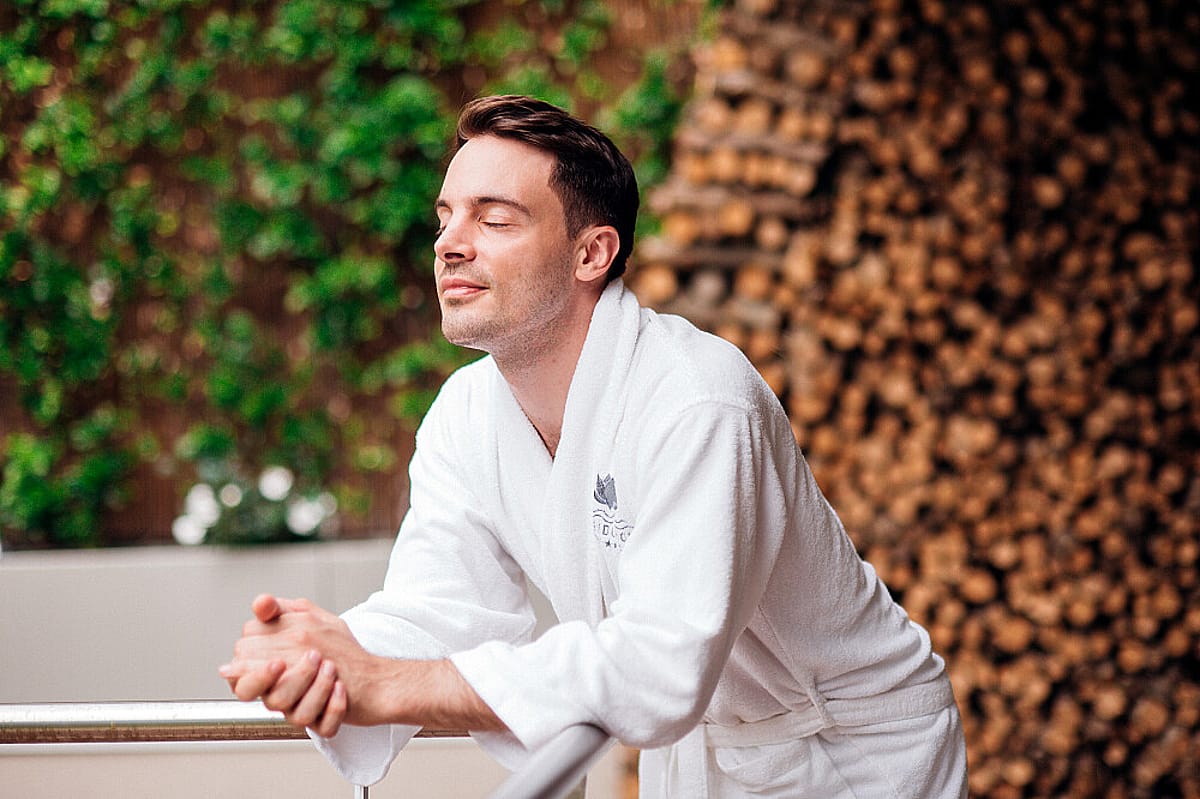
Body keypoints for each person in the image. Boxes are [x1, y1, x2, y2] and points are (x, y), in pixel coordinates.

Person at [221, 95, 968, 797]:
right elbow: (441, 605)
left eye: (495, 219)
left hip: (853, 758)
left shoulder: (698, 398)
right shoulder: (464, 412)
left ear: (592, 254)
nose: (450, 243)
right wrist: (330, 657)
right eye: (446, 217)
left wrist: (390, 682)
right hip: (707, 751)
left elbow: (659, 662)